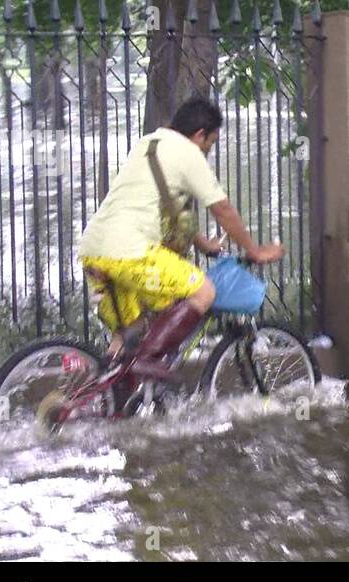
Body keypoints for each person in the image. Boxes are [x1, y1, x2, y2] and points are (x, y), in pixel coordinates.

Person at [78, 99, 283, 379]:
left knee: (133, 332)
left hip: (94, 250)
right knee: (203, 292)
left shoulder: (149, 144)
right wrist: (254, 251)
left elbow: (161, 211)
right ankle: (146, 362)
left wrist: (202, 243)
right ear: (199, 134)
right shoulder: (188, 153)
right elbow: (222, 209)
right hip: (129, 252)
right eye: (209, 144)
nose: (207, 151)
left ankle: (107, 399)